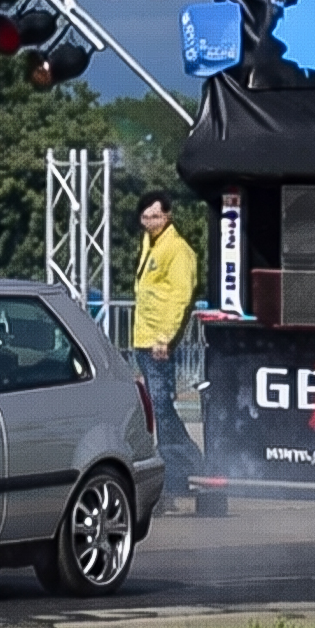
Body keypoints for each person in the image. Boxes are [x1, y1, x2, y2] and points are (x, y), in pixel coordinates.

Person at [131, 190, 204, 499]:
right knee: (160, 407)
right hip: (144, 338)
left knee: (161, 407)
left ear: (168, 216)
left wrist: (165, 337)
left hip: (159, 341)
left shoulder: (177, 249)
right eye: (146, 217)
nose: (150, 222)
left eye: (156, 216)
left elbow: (179, 296)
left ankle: (179, 470)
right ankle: (190, 463)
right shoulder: (151, 244)